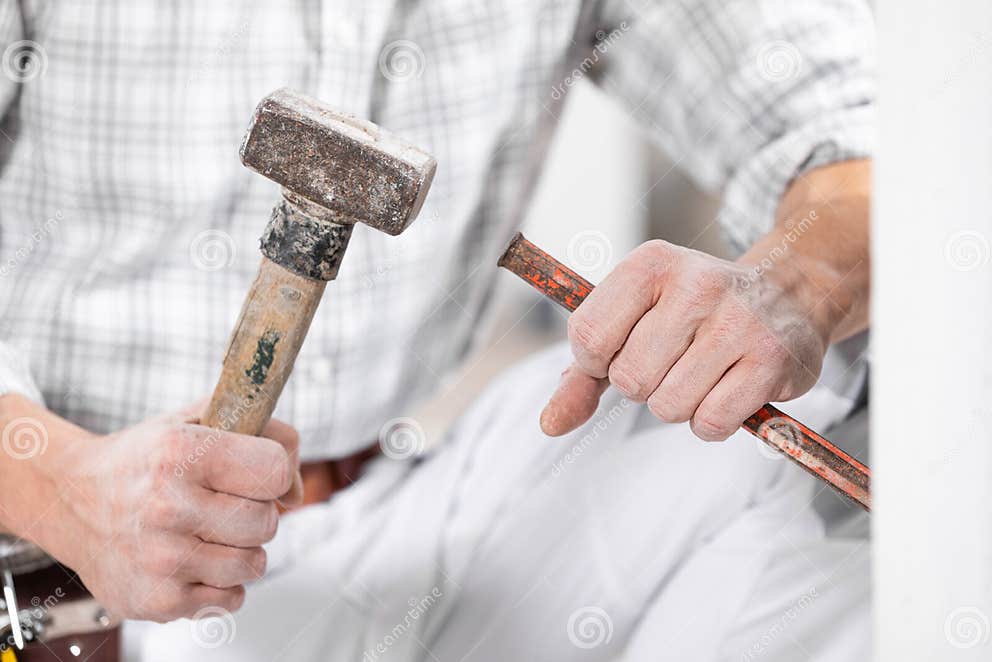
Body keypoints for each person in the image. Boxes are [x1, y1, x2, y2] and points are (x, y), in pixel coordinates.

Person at [0, 0, 874, 659]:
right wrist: (66, 486)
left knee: (821, 465)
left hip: (389, 515)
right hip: (57, 579)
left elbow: (858, 132)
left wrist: (790, 286)